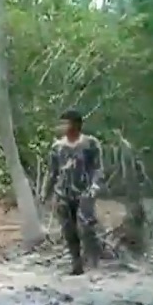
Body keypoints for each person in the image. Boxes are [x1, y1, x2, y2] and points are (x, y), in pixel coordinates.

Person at [41, 109, 103, 275]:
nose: (62, 126)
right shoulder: (57, 147)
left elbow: (97, 168)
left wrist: (95, 186)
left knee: (85, 226)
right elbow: (52, 172)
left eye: (65, 123)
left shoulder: (90, 144)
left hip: (85, 192)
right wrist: (45, 192)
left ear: (76, 124)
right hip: (63, 193)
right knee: (69, 230)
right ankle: (76, 263)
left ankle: (93, 259)